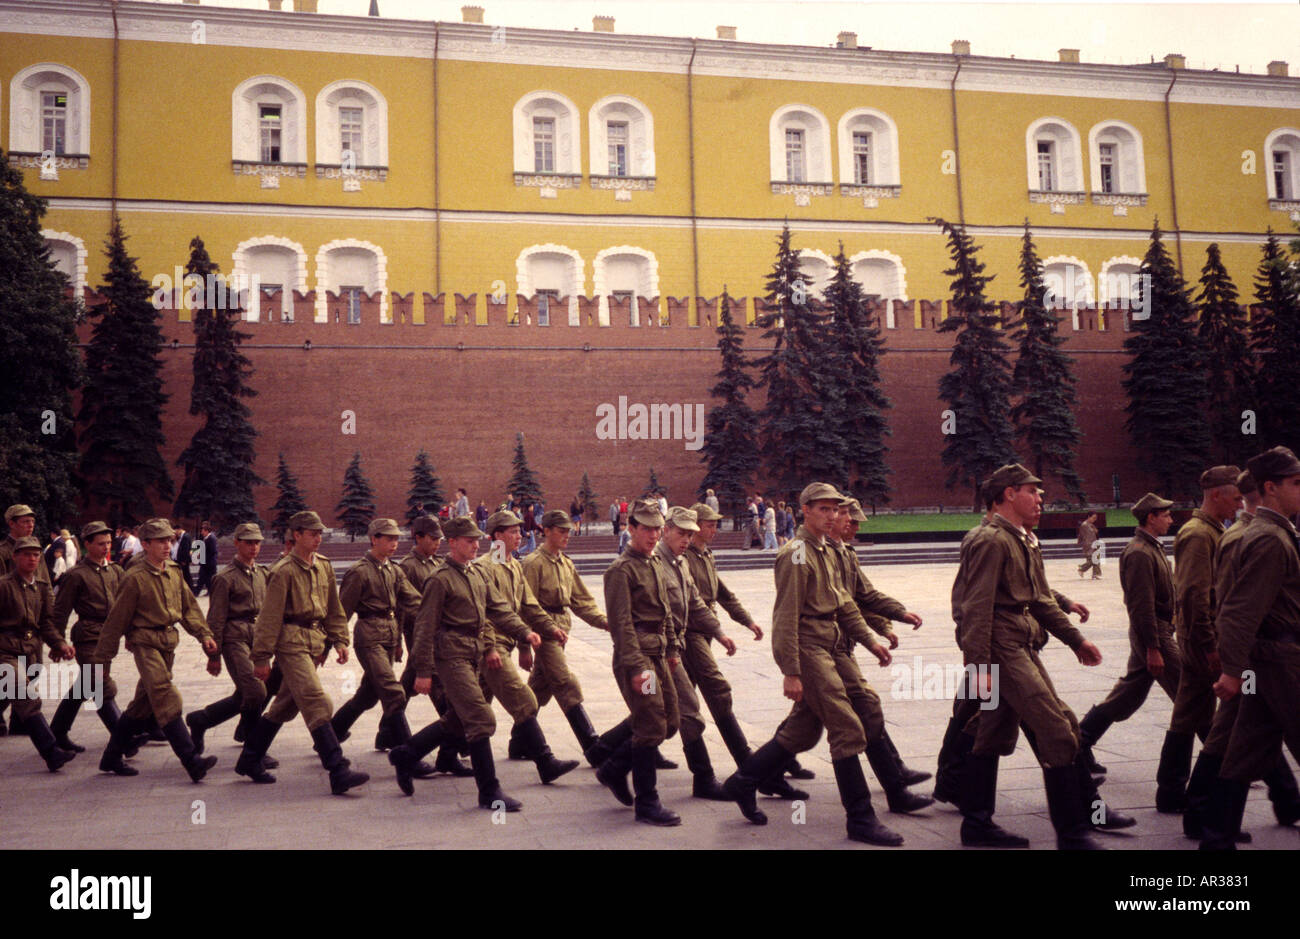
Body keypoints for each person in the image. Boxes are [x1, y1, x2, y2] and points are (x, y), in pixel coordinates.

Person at [723, 483, 909, 845]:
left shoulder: (827, 550)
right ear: (805, 510)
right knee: (846, 727)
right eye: (824, 509)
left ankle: (742, 782)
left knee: (808, 730)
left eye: (835, 510)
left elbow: (845, 605)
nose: (832, 516)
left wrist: (871, 640)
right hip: (809, 648)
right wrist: (790, 671)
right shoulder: (796, 554)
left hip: (833, 645)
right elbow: (785, 617)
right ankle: (860, 819)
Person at [952, 464, 1109, 849]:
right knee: (1057, 729)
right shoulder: (990, 540)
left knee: (992, 731)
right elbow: (974, 609)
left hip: (1019, 643)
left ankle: (976, 825)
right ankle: (1072, 835)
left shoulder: (1020, 538)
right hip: (1002, 648)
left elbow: (1037, 598)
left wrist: (1075, 639)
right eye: (1032, 491)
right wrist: (979, 669)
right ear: (1008, 494)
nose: (1040, 499)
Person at [385, 516, 535, 809]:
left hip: (474, 652)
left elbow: (499, 609)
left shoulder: (477, 574)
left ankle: (406, 754)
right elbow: (425, 628)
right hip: (450, 655)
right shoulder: (440, 580)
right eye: (469, 541)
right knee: (481, 718)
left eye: (478, 540)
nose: (476, 545)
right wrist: (423, 671)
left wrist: (524, 632)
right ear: (452, 543)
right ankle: (490, 792)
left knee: (458, 717)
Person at [1184, 468, 1300, 840]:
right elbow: (1219, 601)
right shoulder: (1249, 536)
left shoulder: (1265, 533)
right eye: (1296, 483)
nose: (1236, 503)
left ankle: (1214, 829)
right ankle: (1198, 812)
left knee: (1245, 742)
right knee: (1223, 734)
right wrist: (1218, 655)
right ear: (1268, 489)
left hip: (1256, 654)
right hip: (1262, 655)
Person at [234, 510, 369, 795]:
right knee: (316, 700)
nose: (318, 538)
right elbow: (270, 617)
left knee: (285, 705)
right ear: (296, 535)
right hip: (291, 643)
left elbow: (334, 608)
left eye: (320, 533)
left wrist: (340, 640)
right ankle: (338, 769)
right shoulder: (282, 571)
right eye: (312, 533)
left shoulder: (324, 565)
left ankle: (249, 759)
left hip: (314, 642)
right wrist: (261, 657)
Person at [93, 518, 219, 781]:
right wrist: (102, 660)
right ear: (145, 544)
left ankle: (111, 757)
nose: (167, 545)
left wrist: (204, 634)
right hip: (145, 642)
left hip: (168, 643)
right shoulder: (135, 578)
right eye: (160, 540)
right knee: (164, 693)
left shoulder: (173, 570)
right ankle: (191, 761)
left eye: (169, 540)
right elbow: (115, 622)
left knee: (142, 705)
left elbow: (188, 608)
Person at [831, 498, 934, 811]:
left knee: (805, 727)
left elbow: (862, 598)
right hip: (826, 650)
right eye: (850, 518)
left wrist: (892, 619)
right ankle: (893, 788)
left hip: (840, 645)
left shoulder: (845, 554)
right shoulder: (815, 554)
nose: (855, 526)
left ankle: (751, 779)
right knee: (864, 708)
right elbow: (845, 605)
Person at [590, 499, 682, 825]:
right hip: (638, 656)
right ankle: (647, 803)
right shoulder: (620, 571)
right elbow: (621, 624)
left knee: (671, 720)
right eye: (646, 528)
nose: (653, 534)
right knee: (650, 723)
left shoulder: (656, 563)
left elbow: (666, 611)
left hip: (658, 653)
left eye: (657, 528)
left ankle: (614, 769)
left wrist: (672, 648)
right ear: (631, 529)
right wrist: (636, 666)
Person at [1076, 495, 1181, 774]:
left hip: (1156, 632)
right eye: (1166, 515)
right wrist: (1153, 647)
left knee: (1127, 695)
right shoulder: (1139, 553)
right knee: (1189, 695)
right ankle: (1222, 764)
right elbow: (1140, 605)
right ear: (1151, 517)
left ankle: (1079, 742)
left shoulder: (1151, 548)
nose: (1171, 520)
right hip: (1153, 633)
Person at [1158, 465, 1242, 813]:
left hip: (1198, 637)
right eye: (1235, 497)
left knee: (1189, 713)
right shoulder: (1199, 534)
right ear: (1217, 495)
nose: (1238, 505)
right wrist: (1209, 646)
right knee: (1230, 715)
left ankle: (1172, 791)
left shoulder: (1210, 530)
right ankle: (1192, 794)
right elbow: (1194, 594)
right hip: (1200, 638)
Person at [473, 510, 576, 786]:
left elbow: (529, 604)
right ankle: (546, 762)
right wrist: (490, 648)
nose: (520, 536)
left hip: (507, 641)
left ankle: (413, 753)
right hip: (493, 646)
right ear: (497, 536)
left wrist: (548, 628)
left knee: (468, 713)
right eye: (513, 532)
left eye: (520, 531)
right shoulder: (485, 568)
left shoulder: (514, 565)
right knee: (525, 700)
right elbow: (481, 614)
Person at [330, 518, 428, 775]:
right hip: (369, 637)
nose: (394, 543)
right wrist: (338, 641)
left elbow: (413, 601)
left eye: (396, 539)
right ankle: (409, 756)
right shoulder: (360, 572)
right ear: (374, 539)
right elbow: (342, 612)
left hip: (388, 635)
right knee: (393, 692)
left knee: (369, 694)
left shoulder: (394, 571)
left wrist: (439, 613)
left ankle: (331, 733)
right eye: (388, 538)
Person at [184, 523, 281, 770]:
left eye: (257, 542)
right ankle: (252, 750)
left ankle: (201, 720)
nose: (254, 547)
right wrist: (213, 655)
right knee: (257, 692)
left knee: (247, 693)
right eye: (248, 542)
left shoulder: (262, 574)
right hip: (234, 638)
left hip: (256, 638)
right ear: (236, 543)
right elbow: (215, 619)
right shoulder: (224, 579)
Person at [520, 509, 608, 754]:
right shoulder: (532, 563)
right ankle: (592, 745)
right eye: (561, 531)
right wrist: (524, 646)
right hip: (542, 632)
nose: (567, 535)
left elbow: (581, 601)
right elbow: (524, 606)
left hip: (561, 629)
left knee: (540, 686)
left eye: (569, 530)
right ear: (546, 531)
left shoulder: (566, 563)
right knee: (564, 681)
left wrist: (604, 622)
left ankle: (519, 741)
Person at [397, 516, 471, 776]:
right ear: (418, 537)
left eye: (440, 538)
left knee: (399, 693)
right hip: (420, 636)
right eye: (432, 538)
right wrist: (397, 642)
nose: (437, 543)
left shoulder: (439, 564)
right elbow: (401, 610)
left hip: (438, 637)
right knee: (443, 694)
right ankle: (453, 745)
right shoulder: (407, 567)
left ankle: (389, 733)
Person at [0, 535, 77, 771]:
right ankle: (51, 752)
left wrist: (59, 644)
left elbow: (45, 623)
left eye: (35, 554)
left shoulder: (41, 587)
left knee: (7, 694)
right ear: (15, 557)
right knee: (26, 696)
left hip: (30, 651)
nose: (32, 559)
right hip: (5, 651)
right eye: (26, 554)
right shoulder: (3, 586)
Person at [49, 521, 125, 753]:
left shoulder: (116, 571)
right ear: (87, 545)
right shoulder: (76, 575)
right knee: (99, 684)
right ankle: (124, 737)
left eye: (109, 543)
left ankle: (57, 732)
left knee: (86, 685)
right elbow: (60, 612)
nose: (106, 547)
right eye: (101, 543)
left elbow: (127, 607)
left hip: (108, 638)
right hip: (88, 637)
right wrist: (58, 642)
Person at [194, 521, 219, 596]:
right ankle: (208, 592)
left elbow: (211, 552)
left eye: (202, 531)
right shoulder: (207, 538)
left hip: (209, 563)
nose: (201, 532)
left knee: (203, 578)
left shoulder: (211, 539)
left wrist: (201, 557)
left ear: (206, 531)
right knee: (205, 578)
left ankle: (197, 592)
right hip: (206, 563)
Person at [1076, 513, 1102, 579]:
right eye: (1093, 518)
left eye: (1095, 518)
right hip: (1089, 545)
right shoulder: (1084, 525)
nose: (1094, 519)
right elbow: (1081, 535)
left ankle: (1096, 574)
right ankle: (1081, 568)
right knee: (1093, 559)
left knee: (1097, 558)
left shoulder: (1091, 525)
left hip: (1094, 543)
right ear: (1088, 517)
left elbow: (1095, 533)